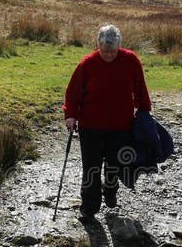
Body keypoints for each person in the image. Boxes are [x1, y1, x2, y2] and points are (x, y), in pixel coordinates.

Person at [63, 24, 151, 221]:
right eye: (105, 51)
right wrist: (70, 115)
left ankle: (110, 191)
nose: (109, 55)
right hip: (90, 126)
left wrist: (144, 111)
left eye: (113, 51)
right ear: (98, 46)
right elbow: (72, 92)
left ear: (119, 46)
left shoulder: (130, 60)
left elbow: (140, 89)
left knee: (116, 165)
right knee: (91, 168)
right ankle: (89, 207)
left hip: (121, 126)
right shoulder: (87, 63)